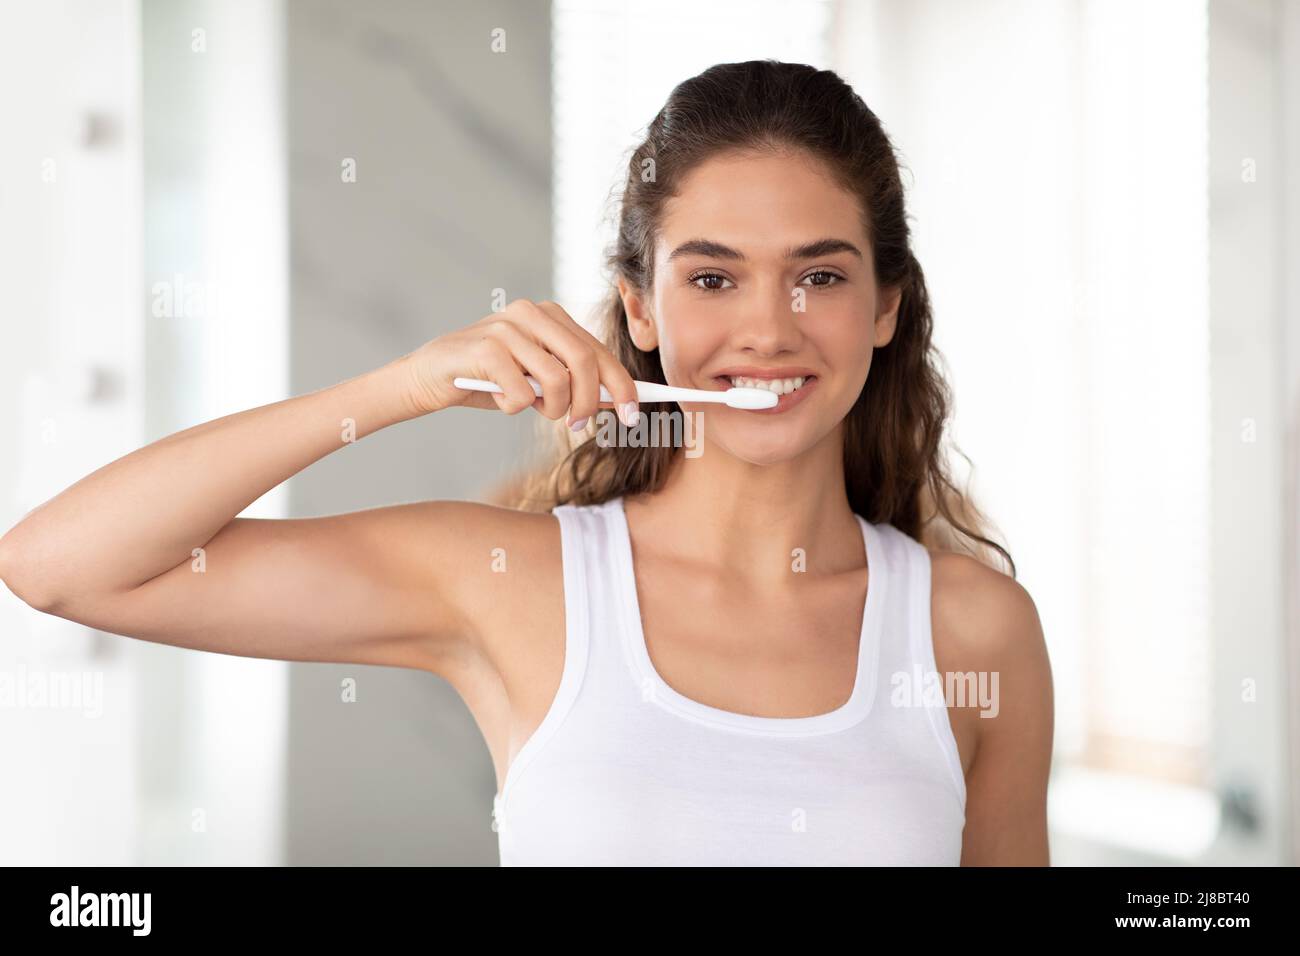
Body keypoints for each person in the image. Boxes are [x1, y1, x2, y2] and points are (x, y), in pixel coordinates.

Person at [0, 60, 1052, 866]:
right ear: (640, 308)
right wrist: (401, 387)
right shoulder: (511, 582)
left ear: (884, 306)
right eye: (712, 278)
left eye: (818, 275)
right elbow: (62, 565)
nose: (769, 329)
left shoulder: (973, 629)